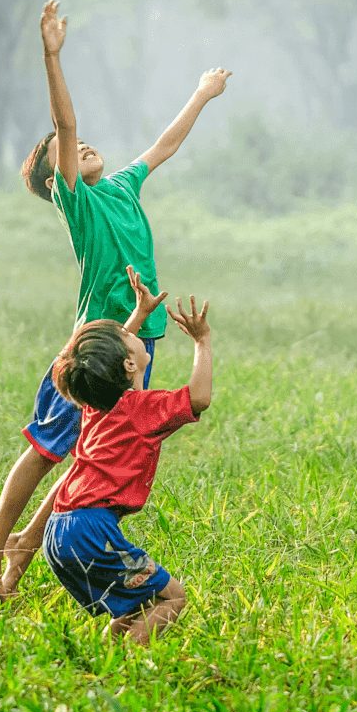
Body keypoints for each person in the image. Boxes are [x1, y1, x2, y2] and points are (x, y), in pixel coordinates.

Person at [0, 0, 231, 602]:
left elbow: (164, 145)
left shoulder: (119, 186)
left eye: (84, 143)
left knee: (95, 458)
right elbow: (64, 125)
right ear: (53, 179)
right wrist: (51, 55)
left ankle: (18, 566)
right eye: (65, 150)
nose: (81, 144)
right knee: (44, 450)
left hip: (138, 341)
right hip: (95, 345)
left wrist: (200, 94)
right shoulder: (79, 202)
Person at [40, 275, 212, 645]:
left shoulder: (96, 401)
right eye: (129, 336)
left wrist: (139, 313)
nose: (131, 332)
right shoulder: (141, 411)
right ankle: (130, 666)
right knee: (173, 597)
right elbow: (198, 398)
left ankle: (109, 654)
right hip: (91, 533)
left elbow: (107, 361)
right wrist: (202, 342)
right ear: (129, 365)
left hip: (59, 531)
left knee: (135, 607)